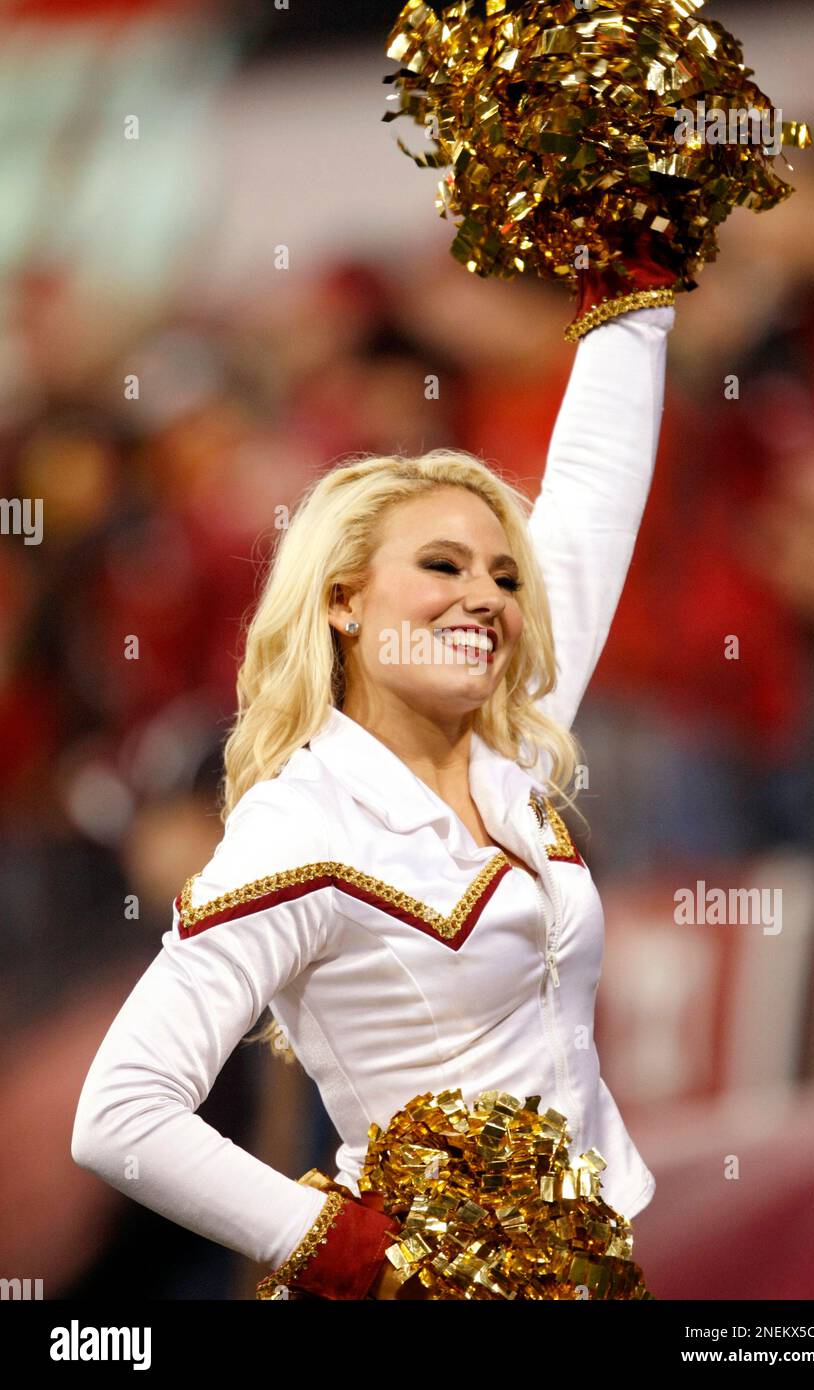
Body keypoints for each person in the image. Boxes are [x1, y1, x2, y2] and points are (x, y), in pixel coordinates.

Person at [71, 279, 677, 1300]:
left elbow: (587, 497)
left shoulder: (506, 750)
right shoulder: (301, 822)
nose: (482, 595)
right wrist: (364, 1258)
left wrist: (634, 296)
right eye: (440, 564)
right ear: (343, 600)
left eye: (501, 575)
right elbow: (121, 1112)